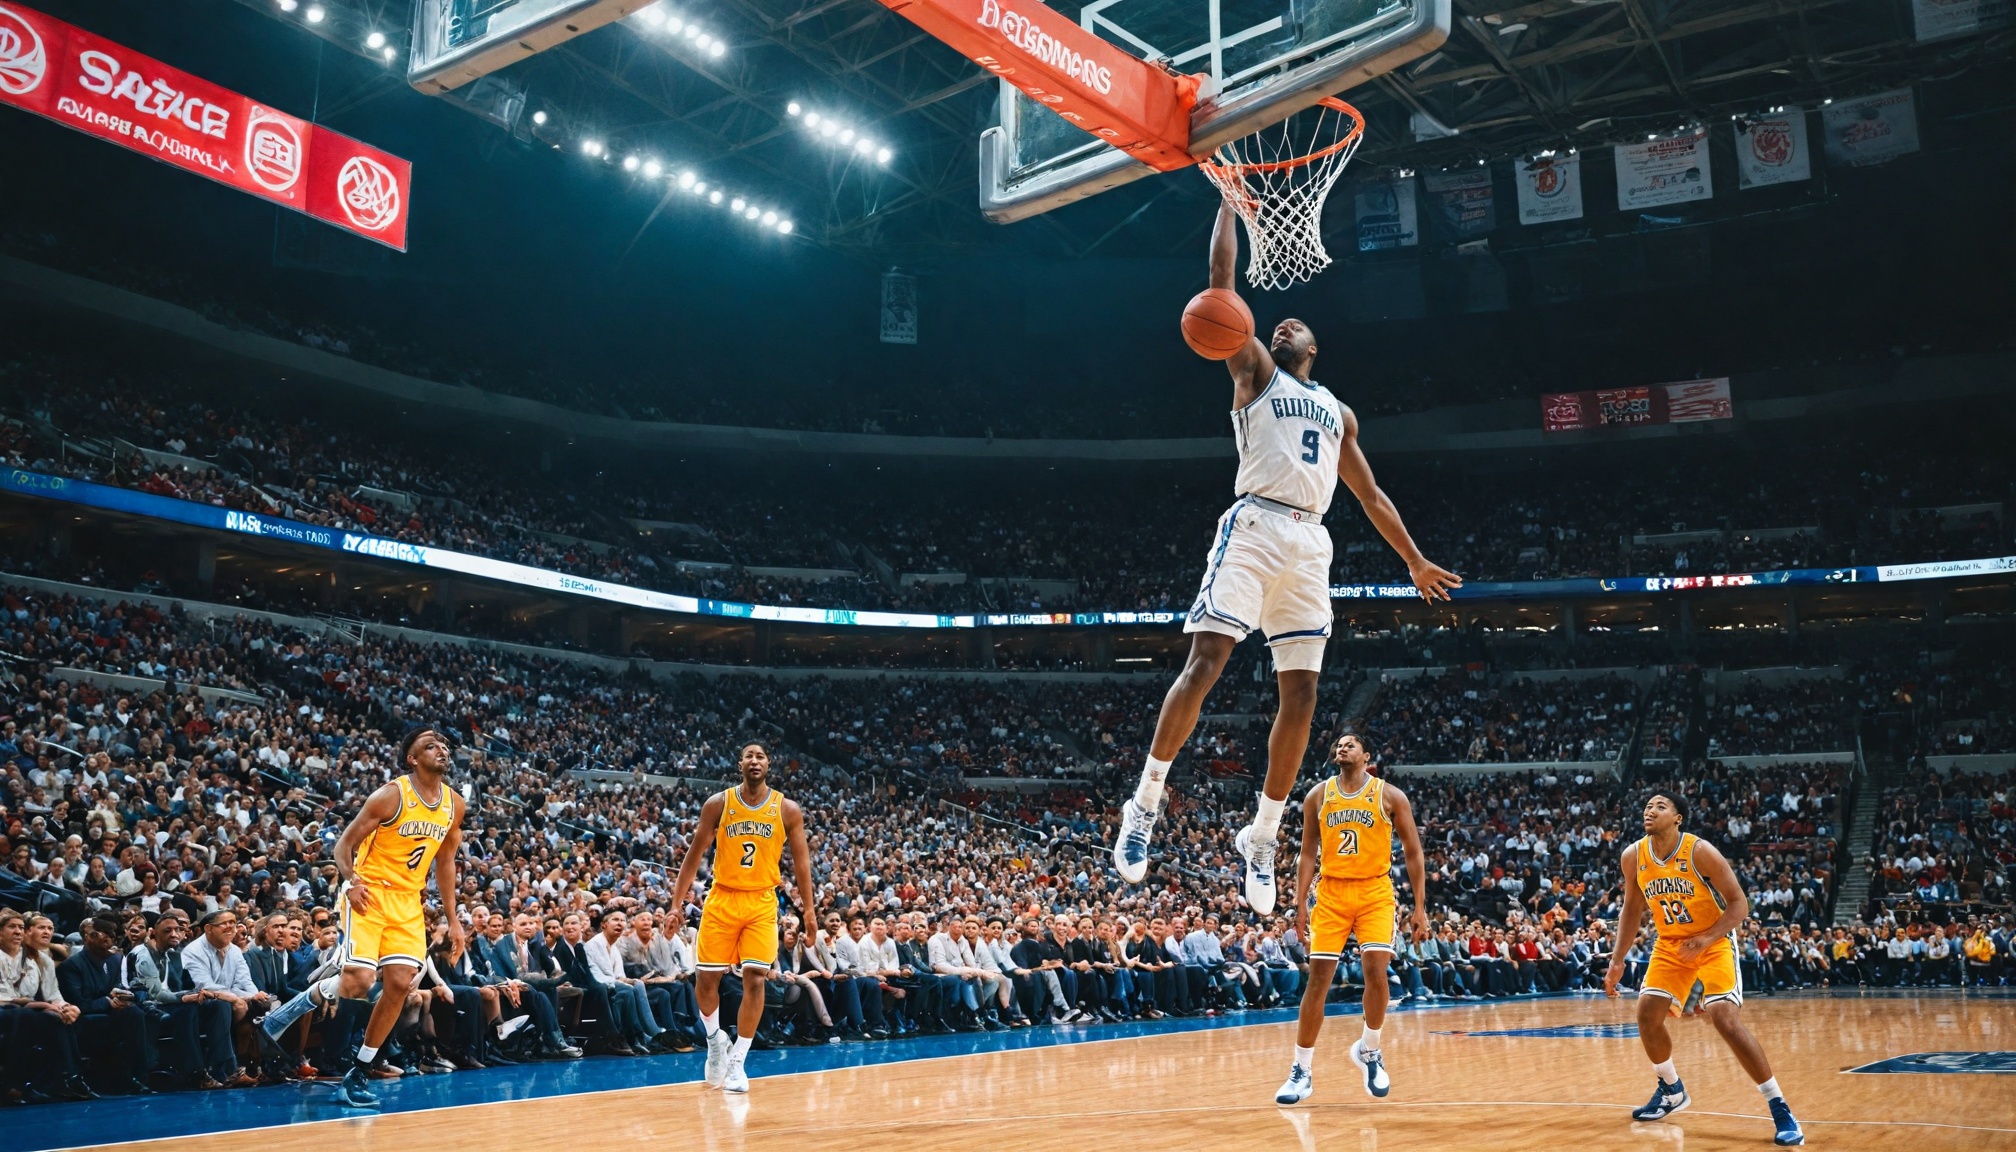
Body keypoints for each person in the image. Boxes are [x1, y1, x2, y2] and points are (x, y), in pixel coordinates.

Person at [1113, 201, 1459, 915]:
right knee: (1207, 660)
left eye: (1292, 324)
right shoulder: (1254, 369)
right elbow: (1221, 282)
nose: (1281, 325)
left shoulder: (1339, 411)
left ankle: (1262, 835)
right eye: (1274, 324)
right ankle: (1145, 801)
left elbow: (1370, 494)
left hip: (1311, 540)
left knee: (1300, 695)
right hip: (1256, 523)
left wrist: (1415, 561)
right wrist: (1225, 199)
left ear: (1316, 344)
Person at [258, 726, 467, 1108]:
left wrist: (453, 920)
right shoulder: (391, 796)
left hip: (408, 901)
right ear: (412, 758)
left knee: (401, 984)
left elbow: (447, 862)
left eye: (444, 746)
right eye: (430, 745)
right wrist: (351, 881)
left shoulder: (455, 804)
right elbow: (344, 845)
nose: (441, 750)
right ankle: (300, 1003)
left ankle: (360, 1070)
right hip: (367, 892)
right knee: (357, 983)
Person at [1605, 793, 1804, 1147]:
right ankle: (1670, 1089)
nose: (1651, 810)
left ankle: (1780, 1106)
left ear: (1679, 817)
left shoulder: (1700, 852)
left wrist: (1708, 936)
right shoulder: (1633, 855)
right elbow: (1632, 909)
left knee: (1722, 1016)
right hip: (1669, 944)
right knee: (1647, 1014)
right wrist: (1617, 959)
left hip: (1712, 942)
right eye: (1648, 806)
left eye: (1660, 806)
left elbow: (1739, 903)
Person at [1275, 733, 1427, 1106]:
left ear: (1366, 756)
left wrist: (1420, 908)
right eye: (1339, 744)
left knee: (1376, 971)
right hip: (1331, 892)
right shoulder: (1317, 796)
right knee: (1318, 980)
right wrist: (1299, 906)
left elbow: (1413, 852)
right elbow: (1307, 853)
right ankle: (1301, 1070)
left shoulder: (1390, 795)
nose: (1342, 748)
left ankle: (1369, 1050)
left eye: (1351, 745)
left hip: (1375, 891)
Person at [669, 741, 816, 1095]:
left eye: (761, 756)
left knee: (755, 979)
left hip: (761, 902)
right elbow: (694, 854)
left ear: (768, 765)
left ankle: (738, 1061)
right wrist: (676, 902)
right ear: (740, 765)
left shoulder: (787, 809)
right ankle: (714, 1040)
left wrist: (809, 910)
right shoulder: (719, 804)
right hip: (722, 898)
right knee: (706, 983)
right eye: (749, 755)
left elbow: (802, 863)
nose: (755, 760)